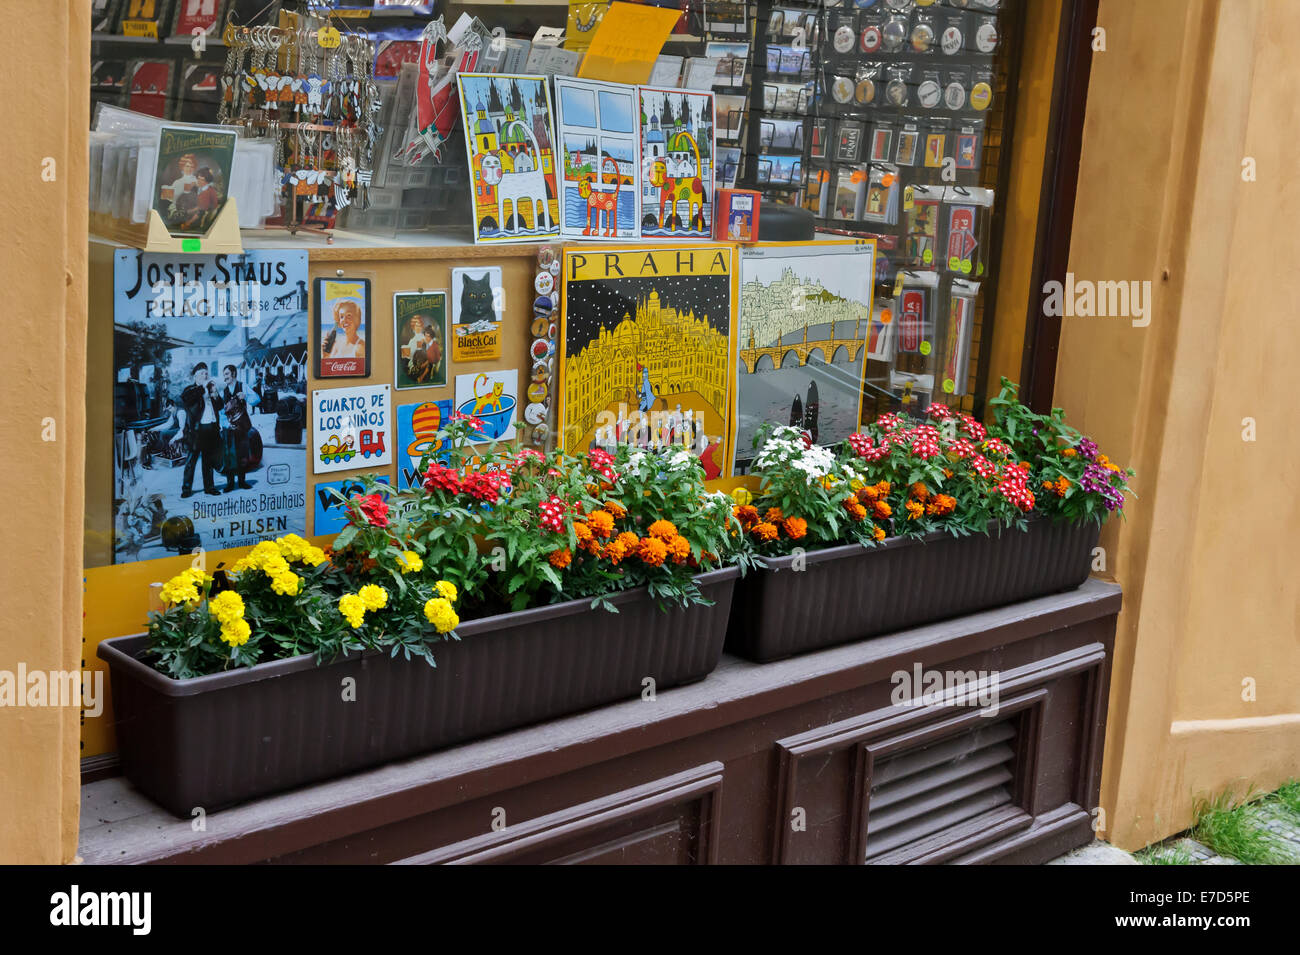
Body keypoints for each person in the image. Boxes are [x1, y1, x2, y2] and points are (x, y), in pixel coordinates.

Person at [175, 363, 222, 498]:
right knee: (191, 461)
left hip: (211, 428)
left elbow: (220, 406)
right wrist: (203, 387)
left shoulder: (211, 389)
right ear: (195, 376)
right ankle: (186, 489)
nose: (205, 375)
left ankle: (209, 487)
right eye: (202, 373)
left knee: (208, 460)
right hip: (196, 431)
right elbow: (186, 399)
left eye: (206, 373)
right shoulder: (190, 390)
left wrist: (215, 395)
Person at [219, 364, 253, 492]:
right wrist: (226, 424)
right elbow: (221, 412)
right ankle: (230, 484)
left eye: (227, 374)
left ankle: (242, 482)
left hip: (242, 427)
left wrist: (246, 396)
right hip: (229, 428)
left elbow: (257, 400)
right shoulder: (223, 391)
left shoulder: (243, 386)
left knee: (242, 454)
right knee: (229, 456)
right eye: (224, 375)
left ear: (233, 374)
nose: (225, 377)